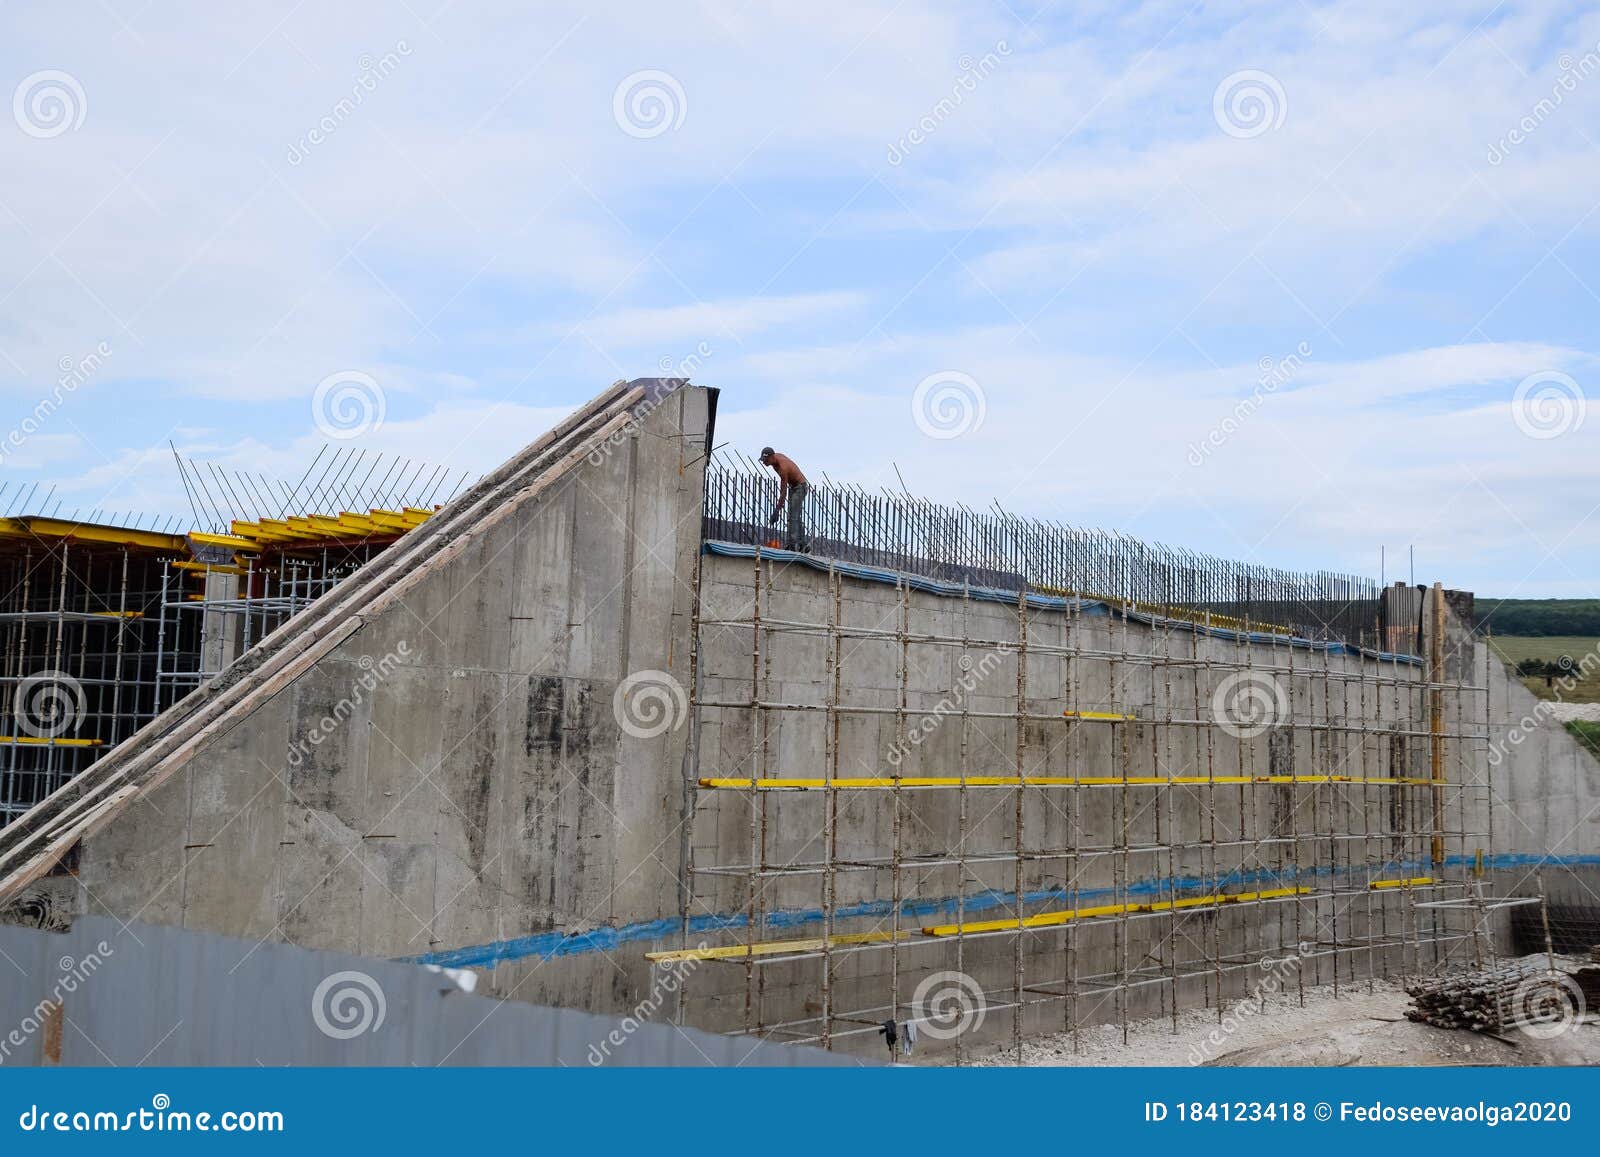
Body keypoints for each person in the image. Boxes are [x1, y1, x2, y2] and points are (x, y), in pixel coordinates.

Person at [759, 447, 809, 552]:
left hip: (800, 487)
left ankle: (792, 545)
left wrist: (777, 510)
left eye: (766, 460)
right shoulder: (775, 460)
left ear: (772, 457)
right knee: (795, 516)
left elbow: (783, 492)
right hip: (794, 486)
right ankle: (803, 544)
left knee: (792, 516)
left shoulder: (782, 468)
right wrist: (778, 509)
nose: (764, 463)